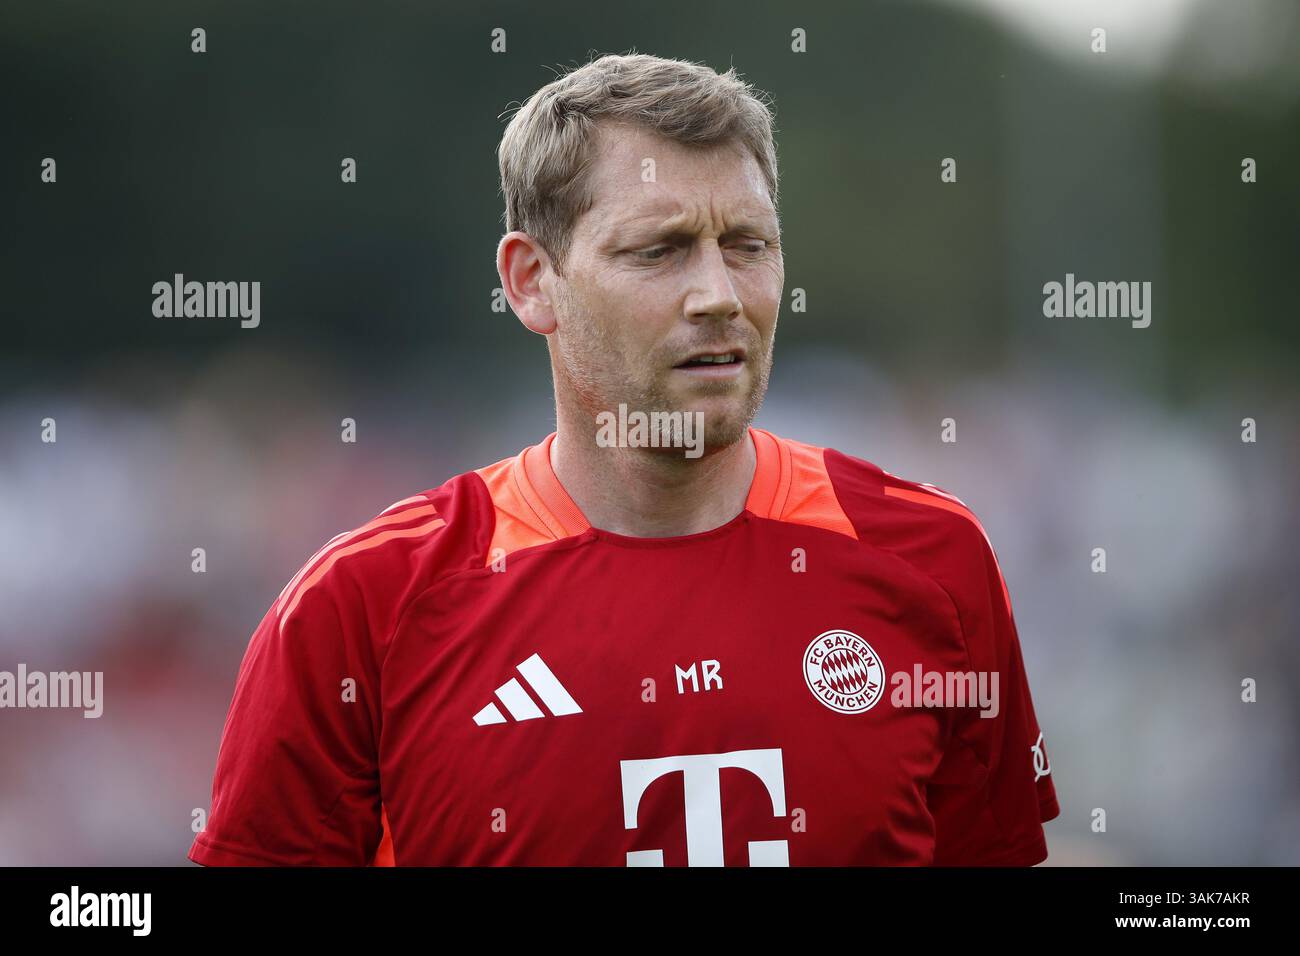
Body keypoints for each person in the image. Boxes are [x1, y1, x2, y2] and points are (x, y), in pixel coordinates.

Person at [190, 52, 1058, 867]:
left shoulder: (935, 561)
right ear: (532, 281)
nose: (720, 296)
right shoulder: (360, 611)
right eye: (660, 250)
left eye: (748, 245)